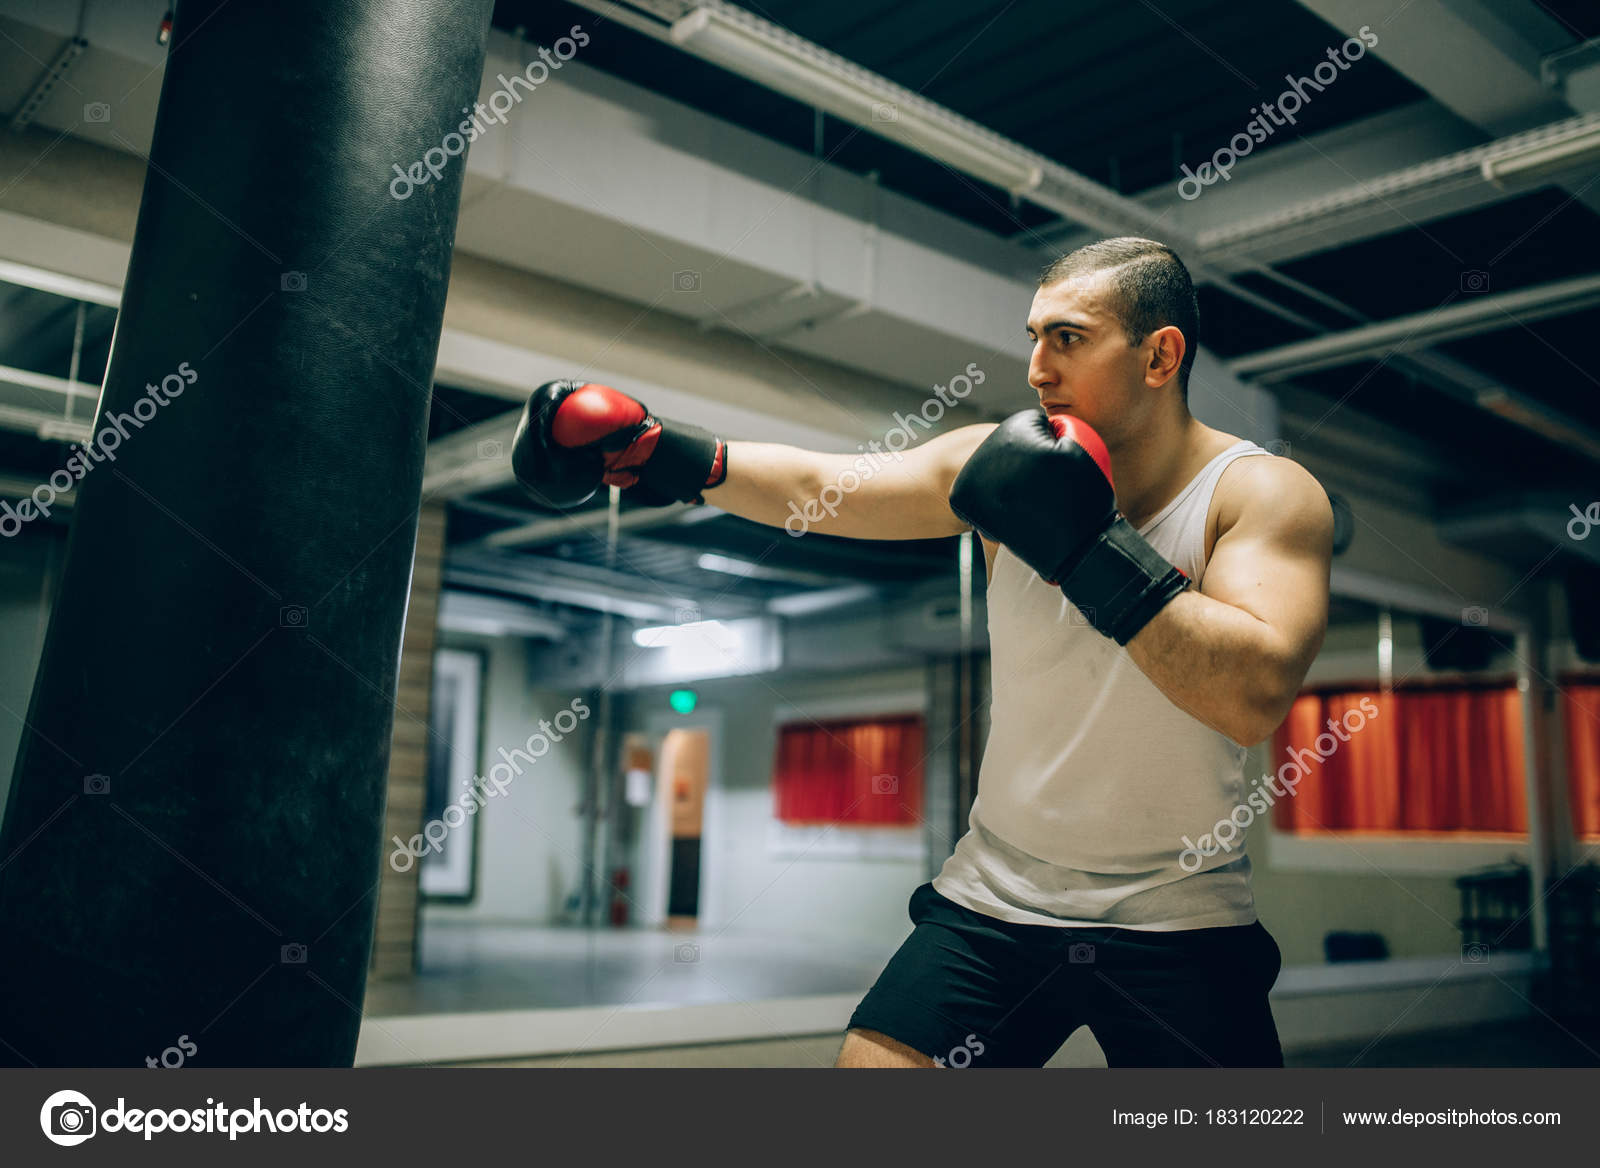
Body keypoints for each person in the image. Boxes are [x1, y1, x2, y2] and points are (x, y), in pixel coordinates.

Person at [510, 236, 1333, 1068]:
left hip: (1181, 917)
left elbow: (1250, 696)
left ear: (1160, 355)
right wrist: (663, 451)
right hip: (996, 900)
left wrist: (1086, 546)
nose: (1038, 369)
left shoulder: (1257, 492)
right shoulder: (999, 459)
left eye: (1069, 338)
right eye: (1034, 337)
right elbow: (818, 490)